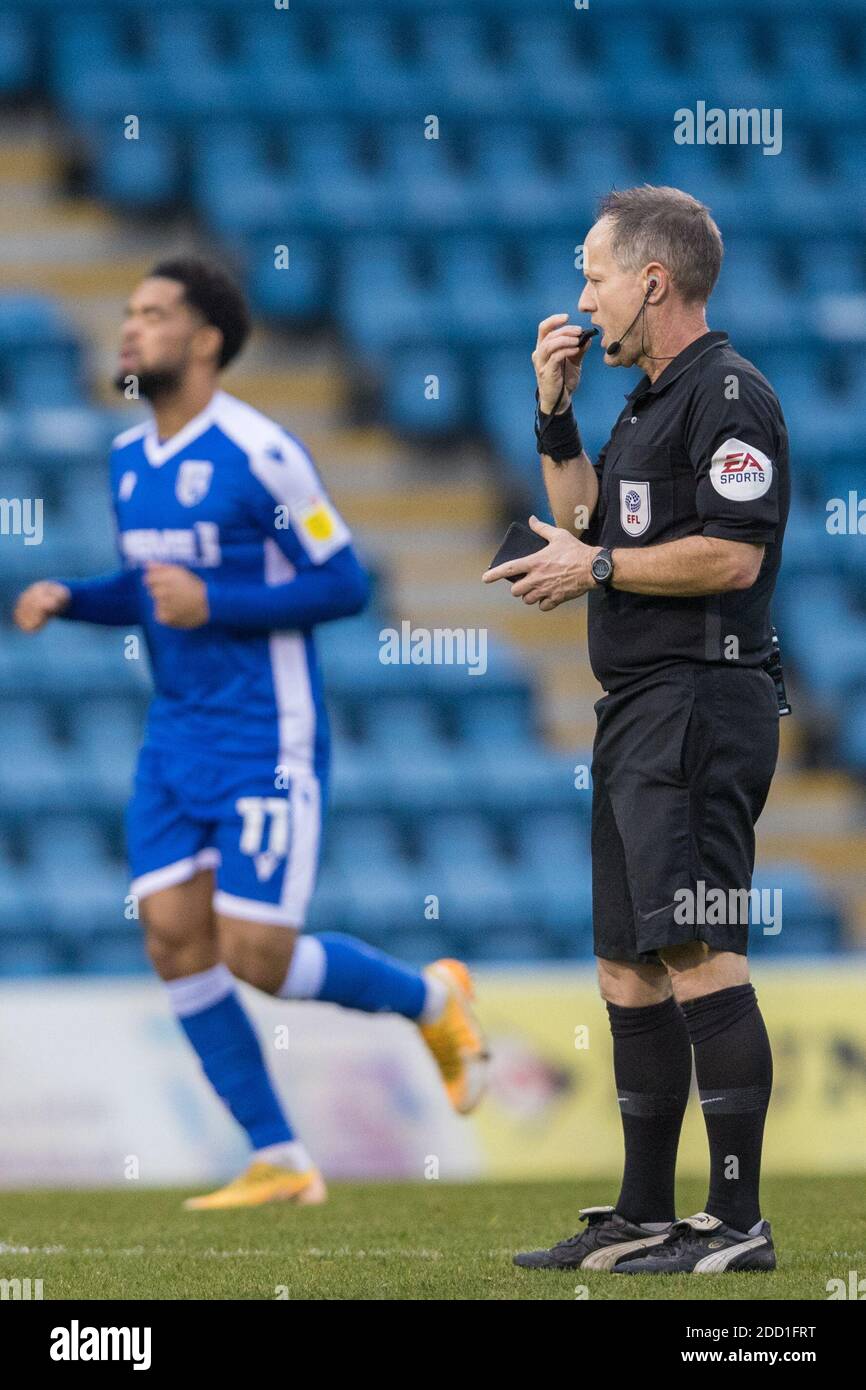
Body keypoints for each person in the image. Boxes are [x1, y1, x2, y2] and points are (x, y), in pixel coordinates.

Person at [14, 257, 488, 1210]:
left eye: (152, 315)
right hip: (175, 737)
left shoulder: (258, 452)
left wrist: (216, 601)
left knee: (256, 956)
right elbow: (155, 596)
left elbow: (345, 581)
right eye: (128, 313)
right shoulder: (126, 459)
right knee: (172, 939)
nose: (130, 329)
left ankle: (435, 1004)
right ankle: (280, 1154)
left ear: (206, 341)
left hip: (267, 739)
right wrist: (72, 598)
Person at [484, 187, 789, 1275]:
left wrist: (597, 566)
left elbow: (731, 555)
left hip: (701, 703)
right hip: (637, 709)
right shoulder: (641, 400)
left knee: (698, 948)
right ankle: (642, 1211)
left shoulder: (727, 394)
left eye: (594, 273)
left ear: (651, 280)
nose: (581, 297)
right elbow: (582, 523)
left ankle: (736, 1220)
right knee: (628, 963)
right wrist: (553, 414)